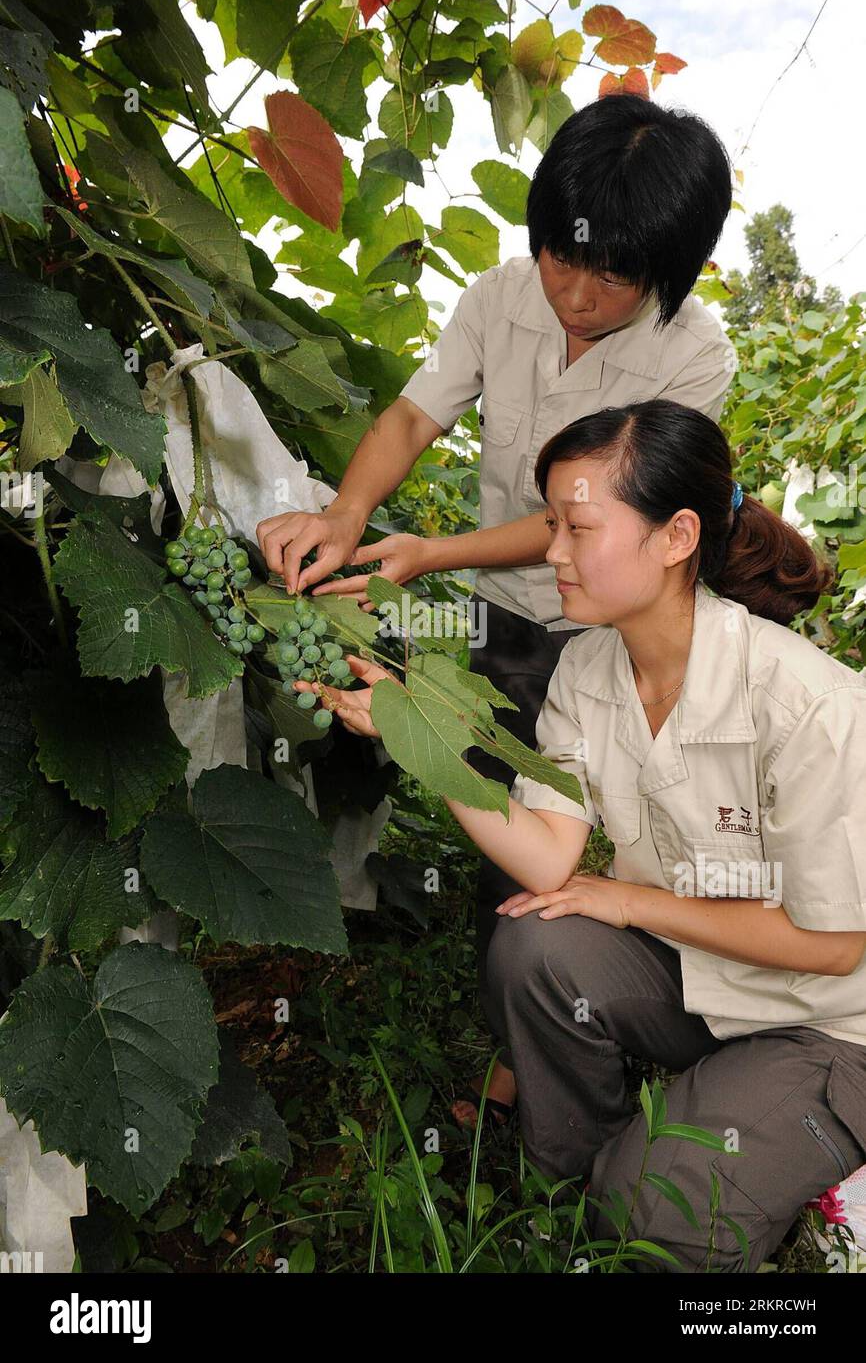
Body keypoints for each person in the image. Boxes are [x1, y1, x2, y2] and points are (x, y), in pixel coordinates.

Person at [289, 398, 866, 1273]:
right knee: (535, 944)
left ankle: (664, 1190)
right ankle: (571, 1197)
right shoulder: (591, 666)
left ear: (676, 538)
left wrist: (633, 901)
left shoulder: (809, 705)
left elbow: (833, 949)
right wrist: (414, 729)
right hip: (712, 977)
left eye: (577, 527)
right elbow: (551, 853)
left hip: (829, 1025)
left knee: (662, 1219)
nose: (551, 551)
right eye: (551, 523)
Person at [258, 93, 737, 1130]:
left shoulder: (693, 357)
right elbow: (410, 413)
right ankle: (523, 1009)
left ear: (670, 265)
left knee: (587, 831)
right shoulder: (500, 296)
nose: (575, 292)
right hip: (498, 613)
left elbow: (588, 519)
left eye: (611, 274)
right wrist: (344, 514)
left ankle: (634, 1018)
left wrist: (424, 551)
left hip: (603, 622)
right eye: (561, 258)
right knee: (504, 814)